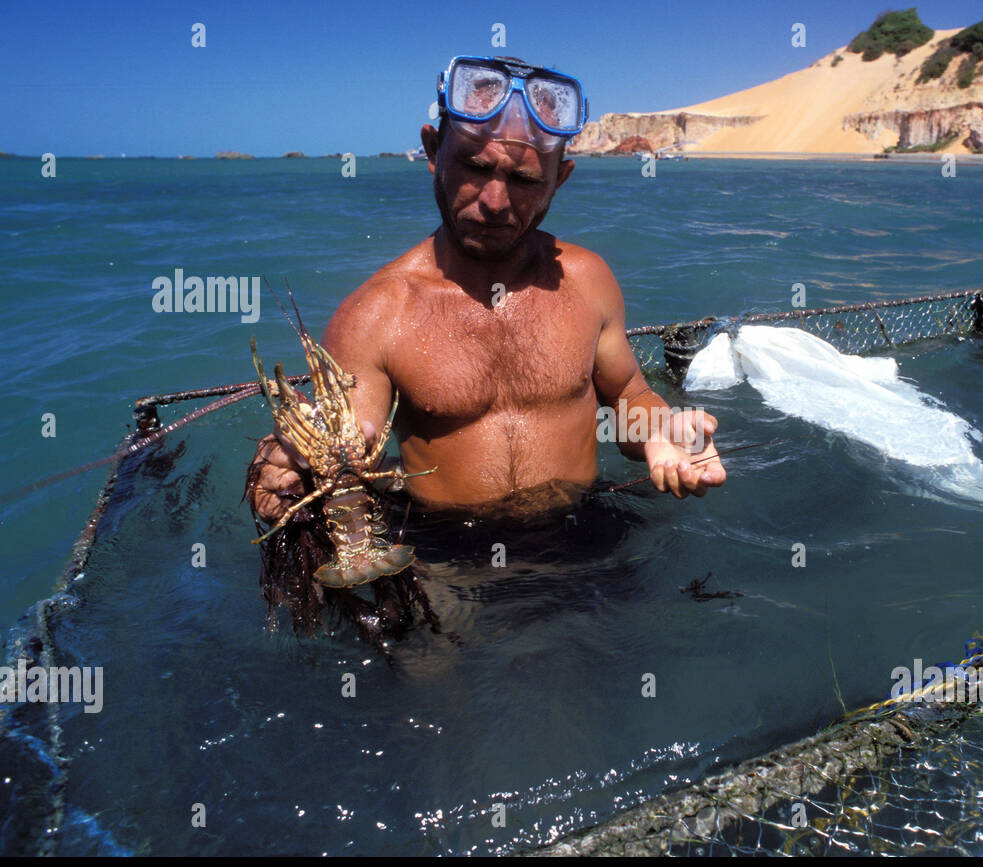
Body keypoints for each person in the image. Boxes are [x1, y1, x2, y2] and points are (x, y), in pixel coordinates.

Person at [248, 55, 726, 529]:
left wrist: (661, 430)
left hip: (584, 534)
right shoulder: (375, 315)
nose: (494, 202)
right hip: (450, 559)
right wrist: (289, 469)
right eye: (475, 167)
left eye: (523, 179)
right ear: (433, 151)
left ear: (560, 179)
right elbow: (349, 448)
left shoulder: (587, 279)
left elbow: (626, 392)